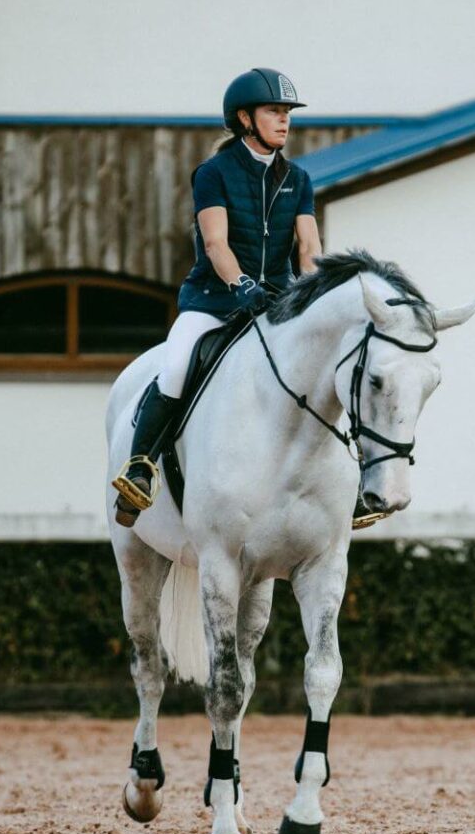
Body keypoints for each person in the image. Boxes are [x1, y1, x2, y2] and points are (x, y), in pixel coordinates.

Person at [113, 68, 322, 527]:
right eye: (274, 111)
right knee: (176, 366)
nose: (285, 121)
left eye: (287, 113)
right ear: (245, 119)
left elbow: (309, 248)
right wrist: (241, 285)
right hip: (214, 300)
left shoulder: (299, 179)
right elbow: (216, 244)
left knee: (325, 368)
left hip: (278, 303)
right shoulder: (213, 174)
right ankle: (140, 468)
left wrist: (311, 291)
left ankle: (345, 485)